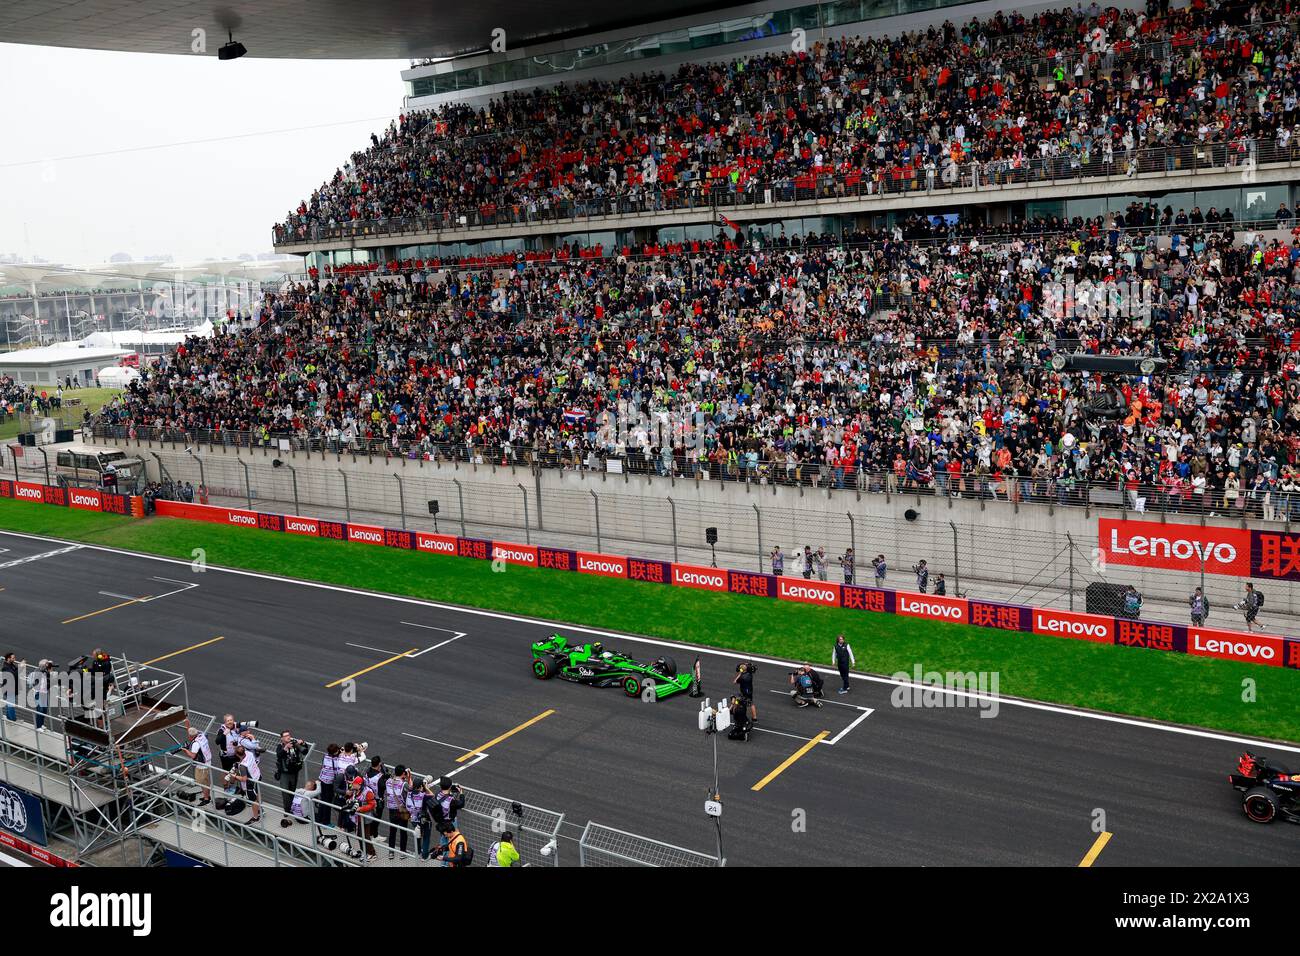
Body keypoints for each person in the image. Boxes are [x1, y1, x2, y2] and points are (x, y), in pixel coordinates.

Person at [274, 731, 310, 813]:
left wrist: (303, 743)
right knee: (285, 792)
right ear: (282, 738)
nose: (288, 737)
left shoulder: (295, 744)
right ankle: (287, 810)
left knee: (292, 792)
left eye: (289, 735)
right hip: (284, 773)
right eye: (285, 736)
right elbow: (279, 755)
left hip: (294, 772)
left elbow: (305, 751)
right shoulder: (280, 746)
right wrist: (286, 747)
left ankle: (292, 809)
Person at [183, 725, 214, 806]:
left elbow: (193, 756)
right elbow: (191, 731)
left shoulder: (195, 744)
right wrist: (187, 724)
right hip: (207, 761)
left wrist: (185, 750)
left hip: (202, 766)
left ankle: (206, 799)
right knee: (205, 782)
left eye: (188, 735)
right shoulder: (202, 736)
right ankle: (206, 796)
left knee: (203, 782)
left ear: (191, 736)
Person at [733, 661, 756, 726]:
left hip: (744, 692)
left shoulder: (742, 677)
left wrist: (740, 674)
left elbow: (735, 681)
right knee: (751, 703)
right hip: (750, 691)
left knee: (739, 702)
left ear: (741, 670)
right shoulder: (750, 674)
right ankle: (754, 717)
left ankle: (737, 714)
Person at [2, 653, 19, 721]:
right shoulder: (5, 667)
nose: (14, 659)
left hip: (12, 688)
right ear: (8, 658)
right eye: (13, 658)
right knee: (11, 705)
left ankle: (9, 718)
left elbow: (15, 670)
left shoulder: (11, 665)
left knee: (10, 704)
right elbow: (13, 675)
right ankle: (13, 719)